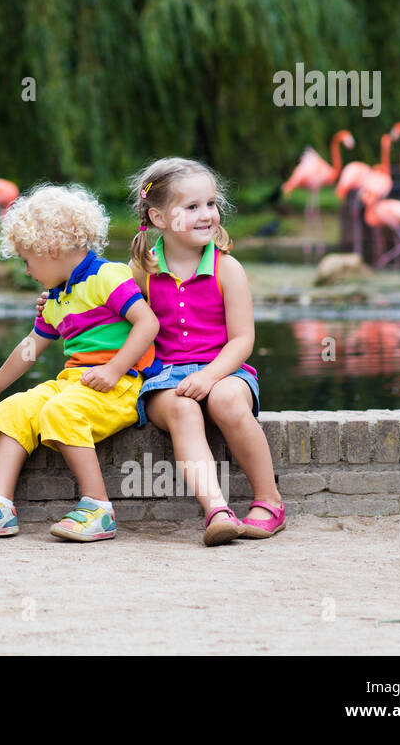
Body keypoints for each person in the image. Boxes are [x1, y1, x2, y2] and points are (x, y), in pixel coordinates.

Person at [0, 183, 160, 542]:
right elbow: (31, 346)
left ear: (49, 249)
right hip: (76, 382)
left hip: (121, 382)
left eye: (27, 260)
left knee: (61, 411)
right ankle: (0, 506)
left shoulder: (108, 277)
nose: (26, 270)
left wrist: (113, 370)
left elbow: (148, 324)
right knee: (16, 409)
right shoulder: (56, 297)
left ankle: (99, 508)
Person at [127, 157, 285, 544]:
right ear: (159, 217)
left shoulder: (227, 269)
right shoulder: (142, 271)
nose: (207, 215)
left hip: (226, 370)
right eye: (192, 207)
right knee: (182, 408)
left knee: (227, 401)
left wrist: (210, 375)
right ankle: (217, 509)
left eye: (211, 204)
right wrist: (52, 306)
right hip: (166, 377)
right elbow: (101, 309)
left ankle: (269, 501)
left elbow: (242, 341)